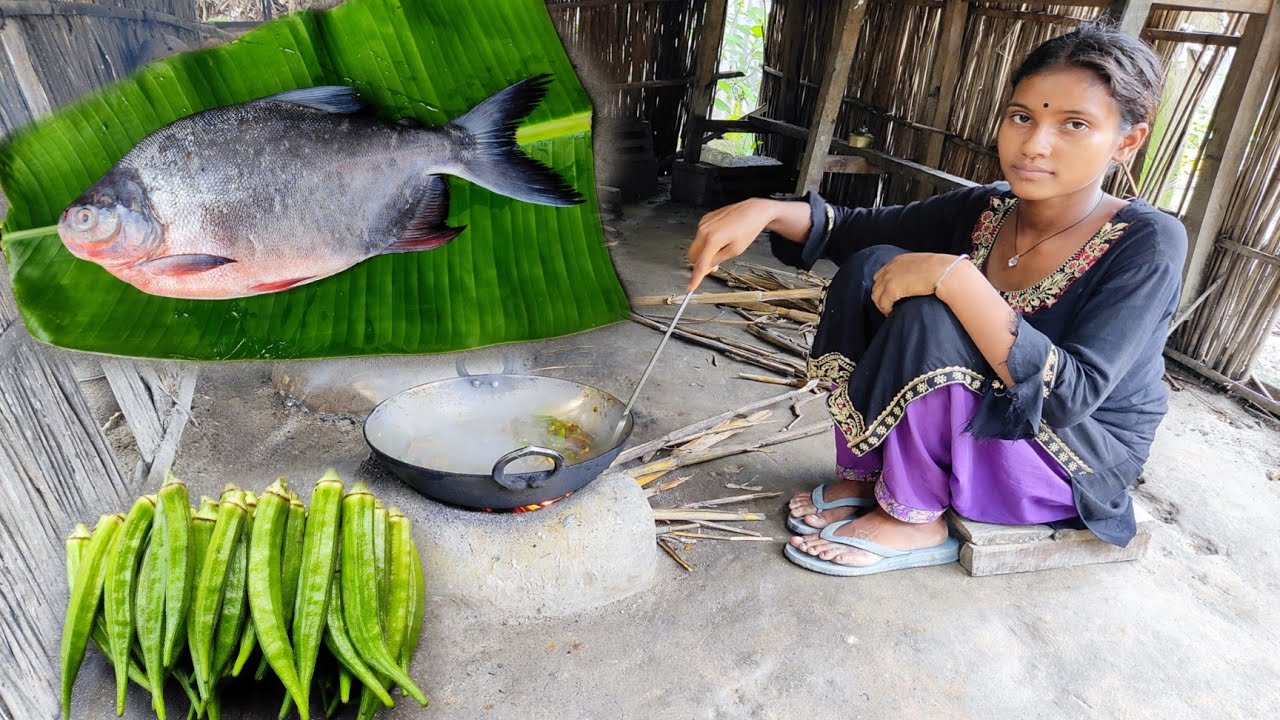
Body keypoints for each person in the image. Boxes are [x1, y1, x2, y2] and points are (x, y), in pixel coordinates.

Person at [685, 24, 1185, 576]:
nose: (1035, 144)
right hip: (991, 417)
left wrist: (958, 279)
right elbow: (852, 229)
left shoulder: (1148, 241)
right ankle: (867, 475)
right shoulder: (990, 208)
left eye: (1074, 125)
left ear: (1127, 141)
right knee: (871, 267)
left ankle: (914, 515)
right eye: (1022, 117)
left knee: (931, 312)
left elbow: (1071, 395)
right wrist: (767, 209)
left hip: (1070, 454)